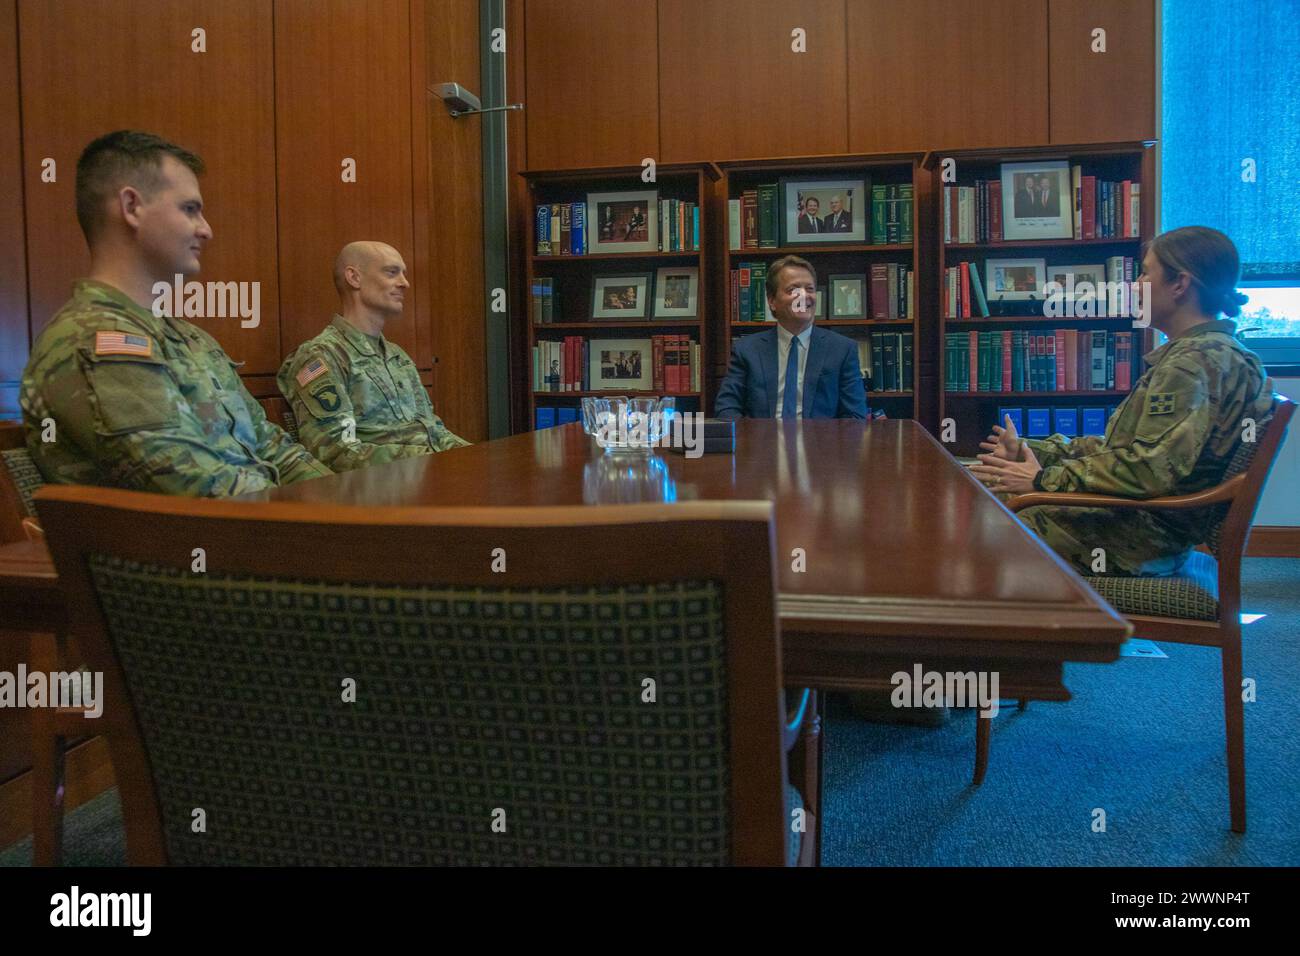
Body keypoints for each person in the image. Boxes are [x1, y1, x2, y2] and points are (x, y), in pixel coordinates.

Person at [20, 130, 331, 496]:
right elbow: (191, 484)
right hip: (197, 548)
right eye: (190, 209)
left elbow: (272, 447)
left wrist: (345, 499)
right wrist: (324, 521)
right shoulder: (94, 339)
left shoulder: (191, 339)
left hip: (257, 535)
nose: (207, 230)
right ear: (131, 207)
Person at [971, 226, 1273, 576]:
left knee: (971, 525)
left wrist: (1043, 480)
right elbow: (1127, 451)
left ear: (1180, 284)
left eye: (1146, 272)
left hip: (1134, 536)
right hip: (1139, 522)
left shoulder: (1190, 366)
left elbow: (1146, 470)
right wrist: (1035, 450)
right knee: (982, 498)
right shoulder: (1216, 354)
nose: (1136, 284)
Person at [277, 241, 469, 471]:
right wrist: (433, 463)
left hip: (429, 475)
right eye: (391, 272)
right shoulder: (321, 356)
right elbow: (337, 451)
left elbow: (433, 431)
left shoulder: (397, 356)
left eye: (403, 274)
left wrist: (476, 458)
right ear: (354, 278)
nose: (405, 283)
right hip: (382, 490)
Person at [715, 255, 867, 420]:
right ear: (772, 301)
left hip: (820, 443)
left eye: (809, 289)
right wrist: (754, 441)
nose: (803, 296)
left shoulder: (842, 349)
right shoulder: (747, 350)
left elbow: (855, 416)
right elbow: (726, 409)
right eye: (793, 290)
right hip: (762, 442)